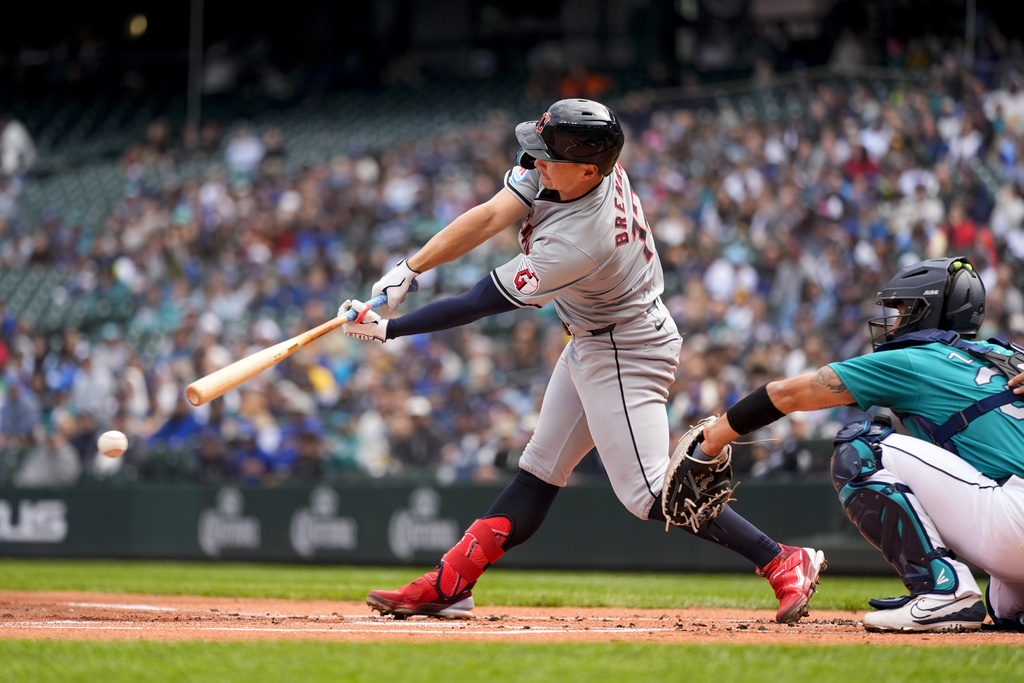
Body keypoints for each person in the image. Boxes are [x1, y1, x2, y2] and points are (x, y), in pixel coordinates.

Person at [339, 98, 825, 622]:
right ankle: (452, 582)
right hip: (597, 338)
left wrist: (390, 328)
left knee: (649, 494)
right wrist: (409, 269)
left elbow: (482, 300)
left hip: (625, 348)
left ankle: (782, 559)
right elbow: (489, 216)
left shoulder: (581, 240)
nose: (535, 162)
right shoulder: (578, 172)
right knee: (538, 472)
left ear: (588, 167)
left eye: (549, 155)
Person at [698, 256, 1024, 633]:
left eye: (903, 308)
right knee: (1005, 605)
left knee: (862, 446)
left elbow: (786, 394)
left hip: (1012, 525)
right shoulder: (1009, 355)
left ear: (928, 311)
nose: (893, 318)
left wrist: (711, 440)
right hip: (1009, 524)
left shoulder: (918, 359)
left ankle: (943, 590)